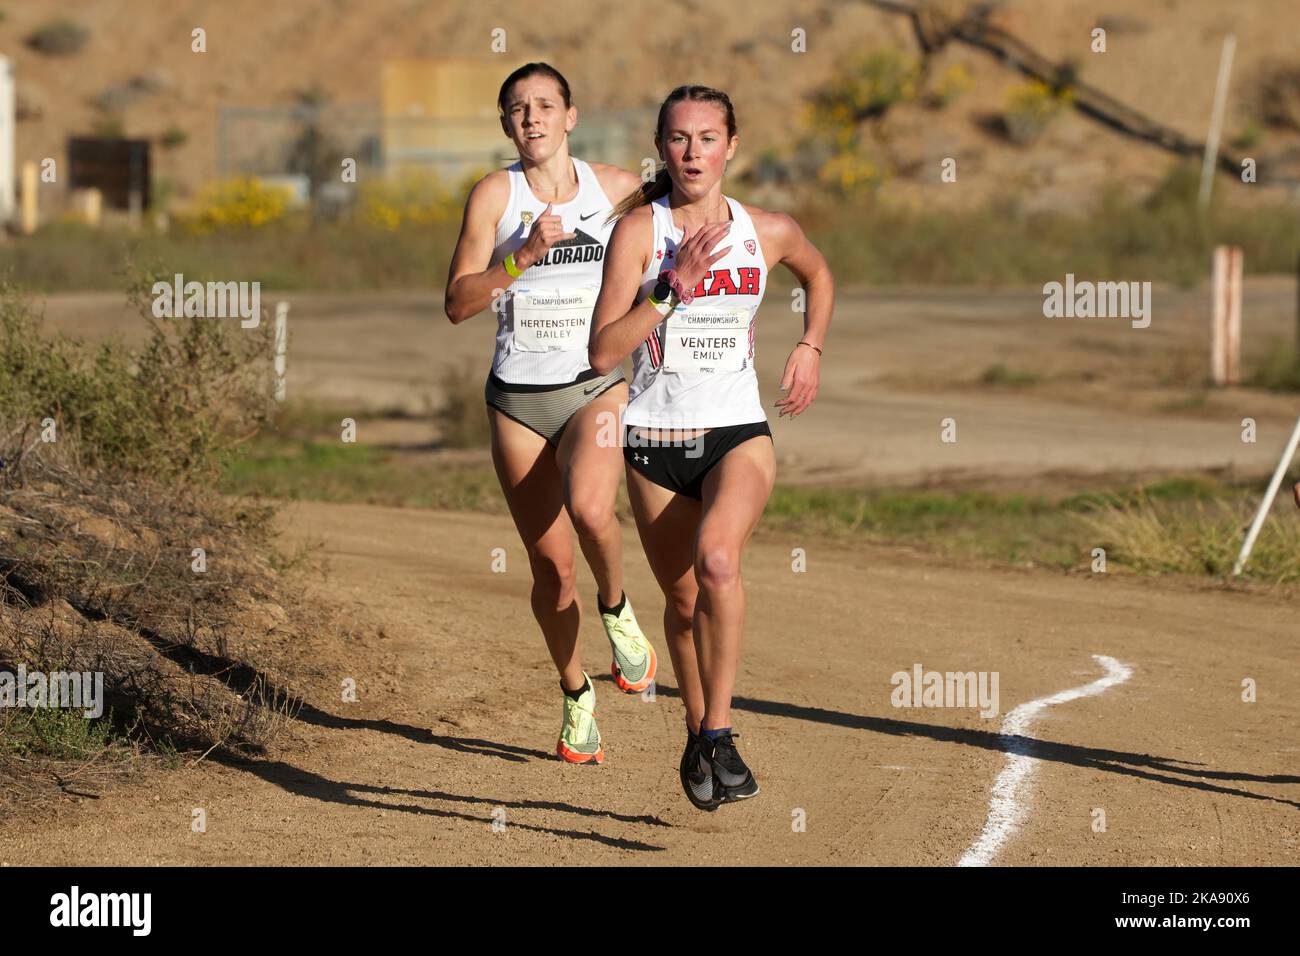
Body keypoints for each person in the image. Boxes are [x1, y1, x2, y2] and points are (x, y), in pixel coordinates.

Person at [589, 85, 834, 808]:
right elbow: (604, 351)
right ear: (661, 147)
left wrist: (811, 346)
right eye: (678, 138)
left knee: (718, 563)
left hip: (736, 432)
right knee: (684, 598)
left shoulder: (769, 229)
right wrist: (670, 288)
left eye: (707, 137)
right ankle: (697, 734)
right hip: (655, 440)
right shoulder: (639, 232)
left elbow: (818, 274)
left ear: (733, 146)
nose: (692, 152)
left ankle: (720, 730)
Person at [444, 63, 655, 765]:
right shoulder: (494, 196)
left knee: (593, 507)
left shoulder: (618, 188)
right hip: (517, 400)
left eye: (544, 105)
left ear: (571, 116)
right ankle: (575, 694)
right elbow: (456, 304)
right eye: (516, 108)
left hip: (594, 385)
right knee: (551, 571)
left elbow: (689, 206)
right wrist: (523, 257)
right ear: (506, 124)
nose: (530, 117)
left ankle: (619, 607)